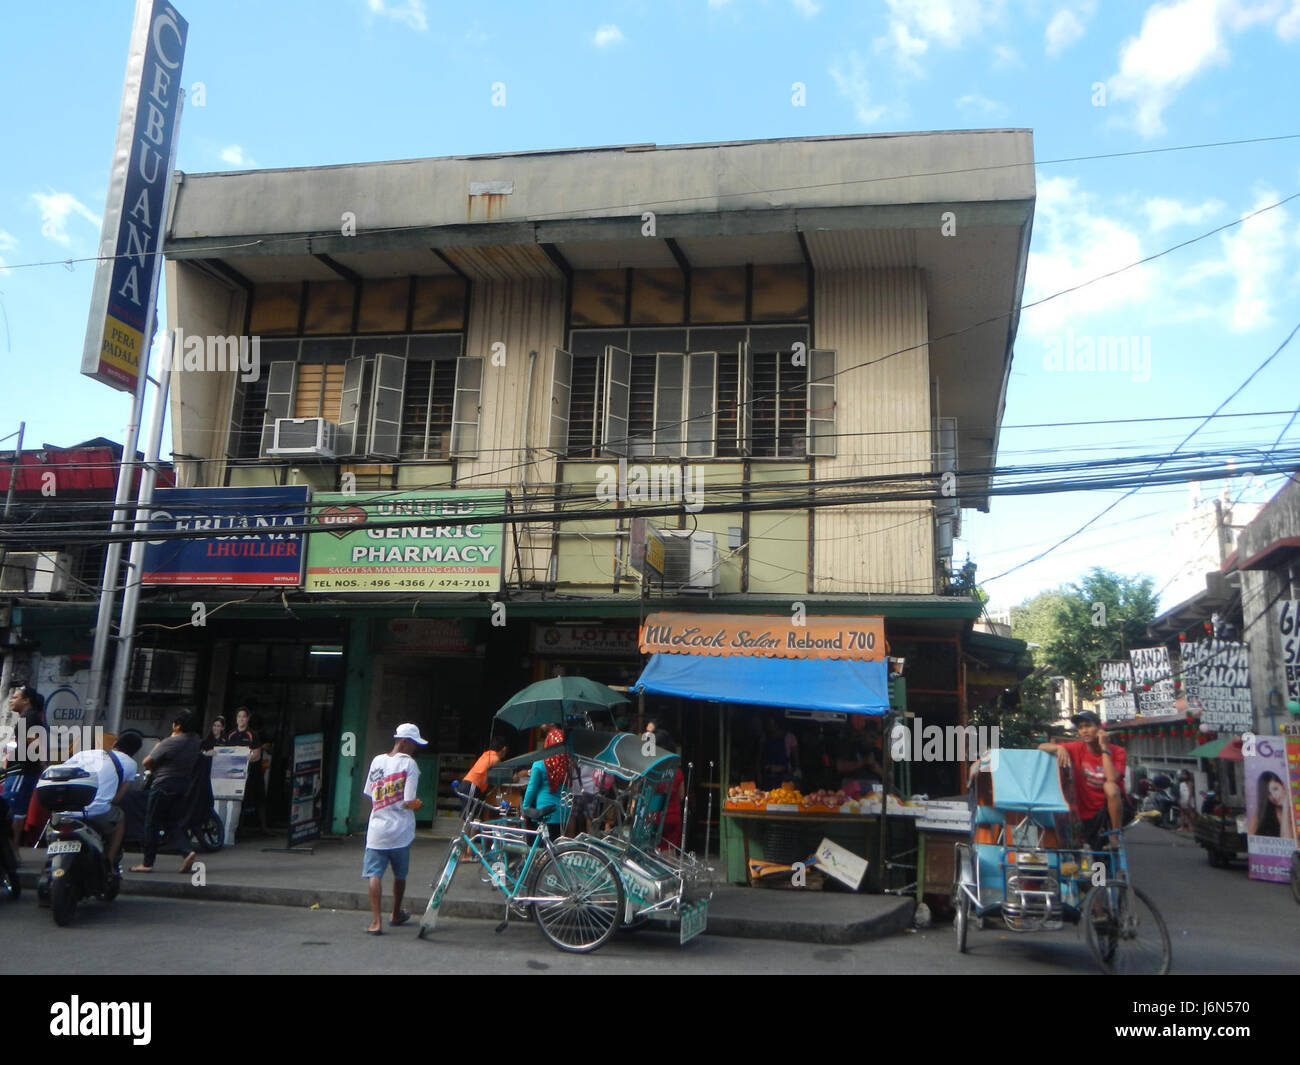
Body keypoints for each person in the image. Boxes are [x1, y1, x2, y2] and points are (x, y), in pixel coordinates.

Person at [362, 723, 426, 934]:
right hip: (400, 832)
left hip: (377, 831)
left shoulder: (377, 760)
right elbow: (408, 800)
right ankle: (396, 913)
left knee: (374, 875)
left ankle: (375, 922)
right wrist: (418, 804)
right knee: (400, 875)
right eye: (414, 744)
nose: (415, 748)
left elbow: (371, 793)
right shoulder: (410, 765)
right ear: (405, 742)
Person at [1039, 710, 1132, 850]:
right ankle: (1101, 870)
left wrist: (1104, 748)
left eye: (1088, 726)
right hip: (1086, 814)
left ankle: (1115, 835)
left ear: (1100, 728)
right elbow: (1041, 747)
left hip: (1112, 812)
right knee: (1096, 857)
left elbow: (1111, 778)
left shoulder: (1118, 751)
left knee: (1110, 787)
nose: (1084, 731)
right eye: (1080, 727)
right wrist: (1058, 748)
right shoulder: (1076, 748)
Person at [56, 731, 144, 872]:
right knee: (120, 817)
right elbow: (117, 799)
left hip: (65, 809)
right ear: (135, 752)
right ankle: (108, 863)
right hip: (96, 813)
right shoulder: (131, 764)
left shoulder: (85, 754)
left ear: (115, 744)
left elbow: (61, 773)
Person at [131, 711, 202, 874]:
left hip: (163, 784)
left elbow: (147, 762)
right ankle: (187, 851)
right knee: (172, 822)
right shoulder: (195, 741)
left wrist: (159, 746)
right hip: (183, 785)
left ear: (177, 725)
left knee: (151, 823)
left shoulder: (171, 742)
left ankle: (147, 863)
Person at [3, 685, 46, 853]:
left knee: (12, 813)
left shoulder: (27, 719)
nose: (11, 700)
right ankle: (11, 853)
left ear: (26, 700)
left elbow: (34, 744)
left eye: (15, 697)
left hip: (20, 772)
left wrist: (41, 764)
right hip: (22, 772)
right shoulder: (30, 718)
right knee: (16, 813)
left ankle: (10, 853)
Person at [224, 708, 267, 834]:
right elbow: (225, 753)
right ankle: (238, 829)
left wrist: (247, 758)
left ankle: (263, 828)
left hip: (252, 773)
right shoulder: (231, 735)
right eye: (239, 717)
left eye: (243, 717)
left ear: (248, 718)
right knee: (238, 801)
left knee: (259, 799)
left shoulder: (252, 734)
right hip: (235, 775)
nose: (241, 719)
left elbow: (257, 754)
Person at [522, 728, 568, 840]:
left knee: (545, 850)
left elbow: (532, 789)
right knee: (559, 848)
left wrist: (525, 807)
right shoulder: (568, 763)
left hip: (545, 812)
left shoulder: (540, 763)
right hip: (565, 812)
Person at [1248, 770, 1296, 839]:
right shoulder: (1260, 813)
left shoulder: (1295, 811)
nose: (1274, 796)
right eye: (1269, 794)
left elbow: (1288, 842)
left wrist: (1286, 806)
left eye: (1275, 789)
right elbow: (1251, 841)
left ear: (1283, 786)